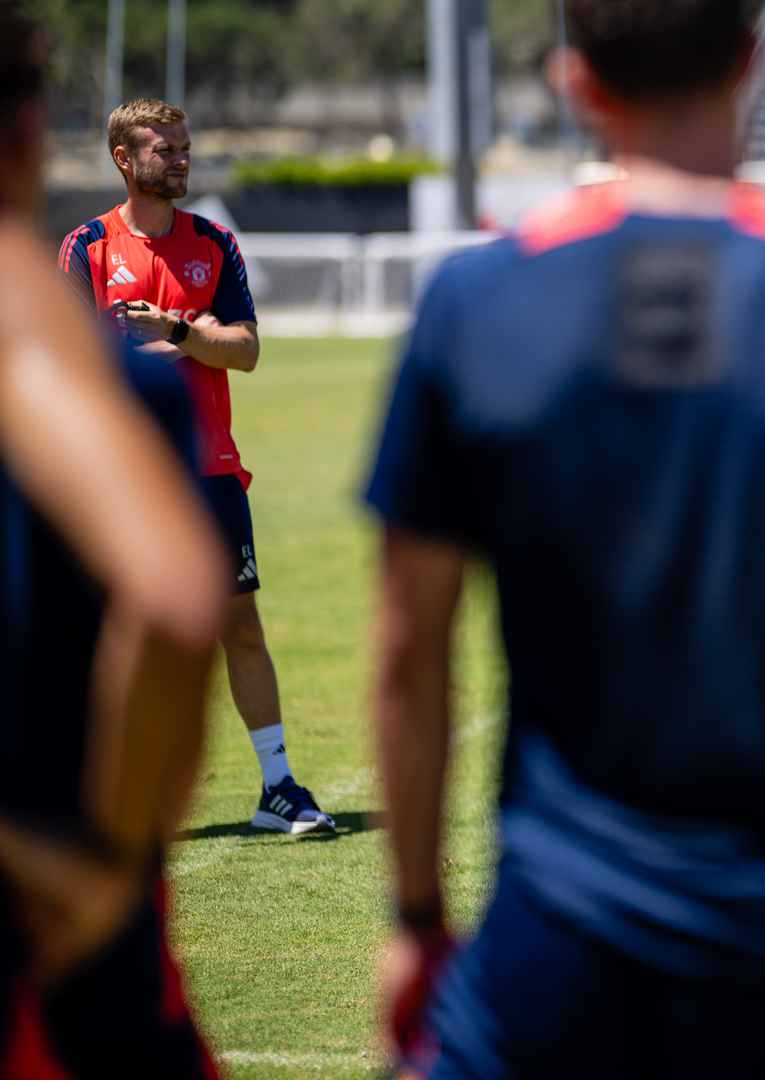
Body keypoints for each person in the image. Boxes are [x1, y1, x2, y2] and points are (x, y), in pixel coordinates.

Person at [366, 2, 765, 1076]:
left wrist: (415, 914)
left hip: (555, 942)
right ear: (751, 61)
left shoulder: (476, 305)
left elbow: (409, 647)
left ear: (577, 82)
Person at [0, 3, 227, 1073]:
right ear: (25, 132)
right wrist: (109, 862)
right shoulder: (33, 319)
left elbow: (242, 345)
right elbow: (175, 594)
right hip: (59, 962)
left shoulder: (206, 246)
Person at [57, 98, 334, 835]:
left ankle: (279, 789)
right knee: (113, 636)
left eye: (184, 146)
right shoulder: (87, 246)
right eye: (166, 149)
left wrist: (175, 331)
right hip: (123, 478)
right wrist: (193, 340)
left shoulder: (213, 243)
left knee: (240, 625)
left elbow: (245, 350)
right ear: (125, 159)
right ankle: (95, 800)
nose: (181, 159)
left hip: (211, 470)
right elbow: (74, 363)